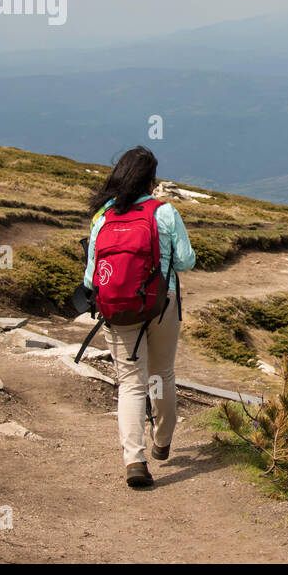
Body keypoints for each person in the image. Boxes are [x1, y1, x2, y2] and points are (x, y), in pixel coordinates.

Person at [84, 146, 196, 489]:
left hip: (118, 309)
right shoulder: (164, 212)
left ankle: (135, 460)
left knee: (131, 383)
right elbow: (186, 262)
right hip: (161, 303)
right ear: (150, 180)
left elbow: (91, 277)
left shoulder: (102, 217)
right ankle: (162, 441)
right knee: (161, 373)